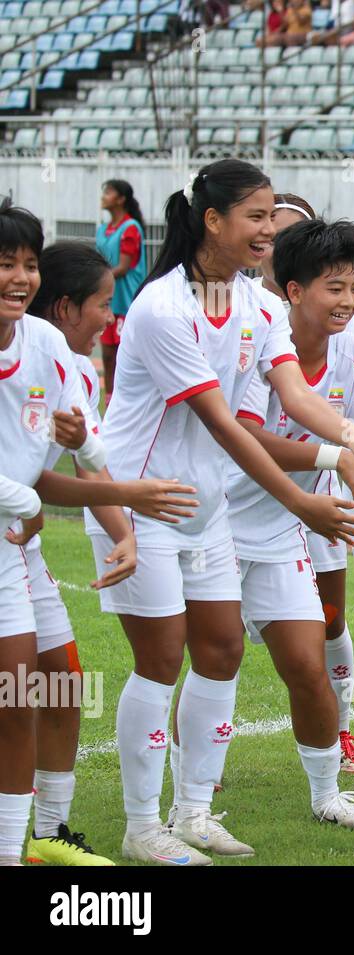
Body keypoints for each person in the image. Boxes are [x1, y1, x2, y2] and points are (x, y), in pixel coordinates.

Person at [96, 159, 354, 865]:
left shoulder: (259, 306)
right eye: (257, 216)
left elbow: (296, 398)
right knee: (160, 660)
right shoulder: (161, 307)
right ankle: (142, 826)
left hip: (203, 512)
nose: (270, 229)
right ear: (213, 222)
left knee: (222, 649)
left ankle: (194, 812)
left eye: (273, 216)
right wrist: (309, 494)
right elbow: (223, 424)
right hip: (140, 502)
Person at [0, 201, 198, 866]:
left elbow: (82, 449)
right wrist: (127, 496)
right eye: (6, 263)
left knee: (59, 679)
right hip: (10, 536)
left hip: (17, 547)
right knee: (16, 693)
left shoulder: (49, 349)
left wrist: (124, 525)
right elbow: (36, 487)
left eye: (28, 262)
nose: (20, 276)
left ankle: (50, 835)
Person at [225, 218, 354, 828]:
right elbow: (247, 437)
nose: (348, 301)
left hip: (281, 533)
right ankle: (188, 803)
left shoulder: (347, 347)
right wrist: (342, 455)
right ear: (293, 290)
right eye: (334, 287)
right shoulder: (259, 345)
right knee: (213, 663)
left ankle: (327, 794)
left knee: (307, 663)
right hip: (216, 527)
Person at [95, 179, 146, 404]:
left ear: (121, 199)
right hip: (108, 301)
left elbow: (123, 267)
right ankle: (109, 398)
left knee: (124, 353)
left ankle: (127, 399)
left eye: (108, 192)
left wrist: (96, 280)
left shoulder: (131, 228)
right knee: (106, 353)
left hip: (126, 302)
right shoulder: (102, 230)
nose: (103, 196)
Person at [261, 193, 316, 302]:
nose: (284, 250)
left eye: (296, 240)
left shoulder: (331, 306)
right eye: (274, 239)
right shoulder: (235, 302)